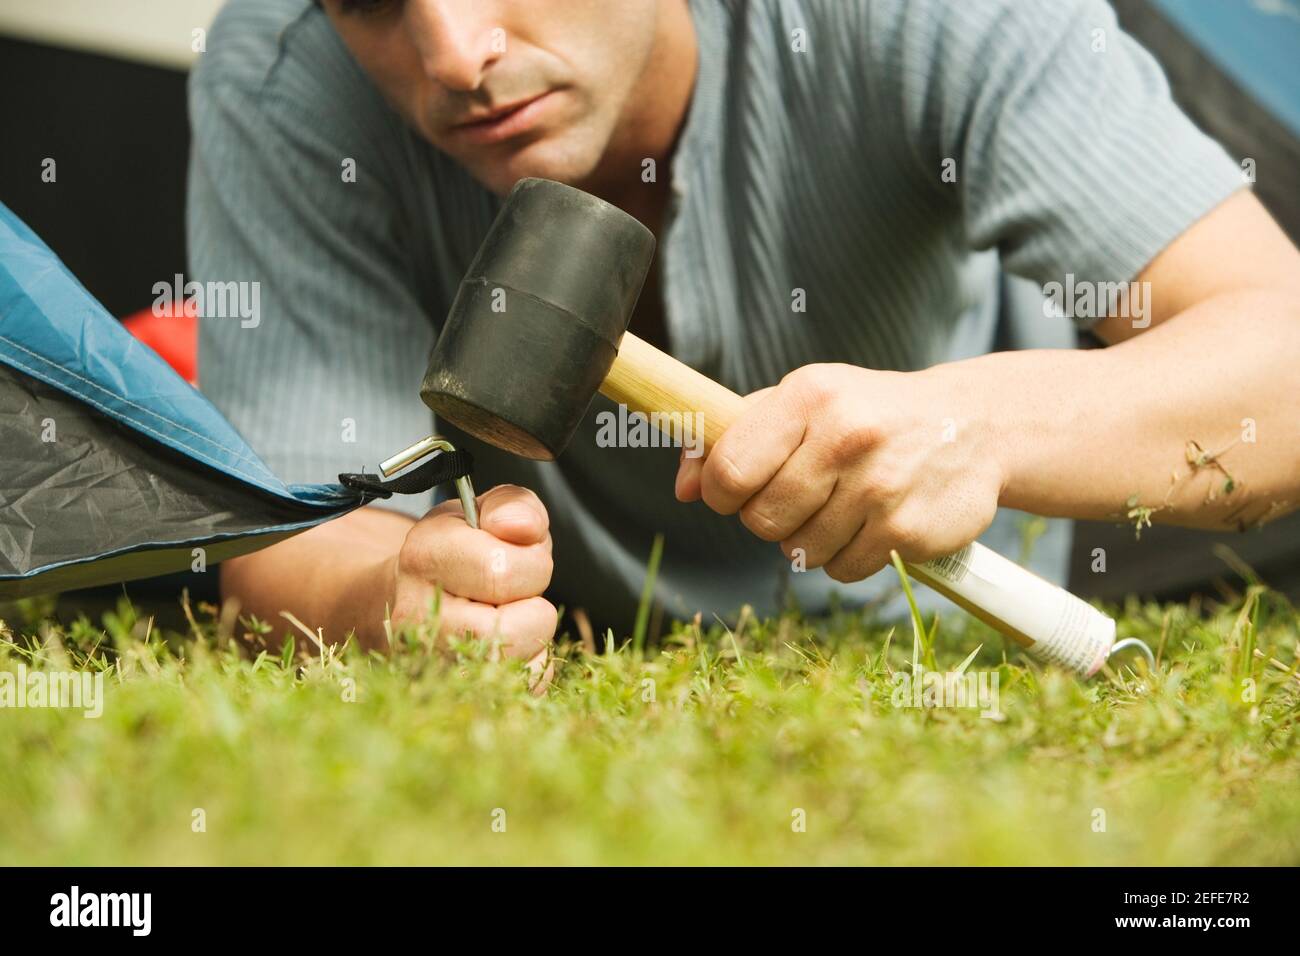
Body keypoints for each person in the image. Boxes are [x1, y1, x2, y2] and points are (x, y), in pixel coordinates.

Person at [187, 0, 1300, 673]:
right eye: (370, 1)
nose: (451, 53)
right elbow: (290, 547)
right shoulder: (283, 71)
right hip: (577, 627)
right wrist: (386, 605)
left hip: (993, 585)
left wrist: (981, 426)